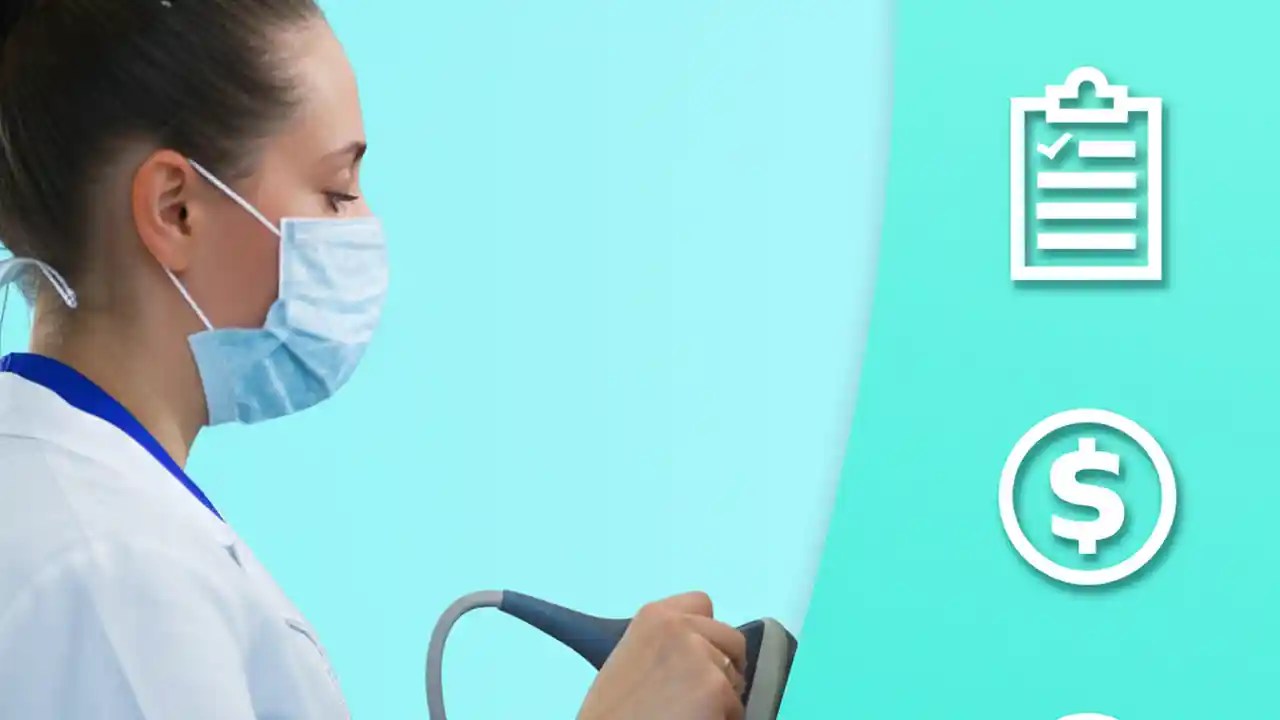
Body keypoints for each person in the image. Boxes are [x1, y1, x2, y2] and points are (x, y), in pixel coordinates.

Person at [0, 2, 749, 719]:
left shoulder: (77, 511)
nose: (363, 229)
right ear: (176, 210)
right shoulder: (113, 575)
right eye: (336, 190)